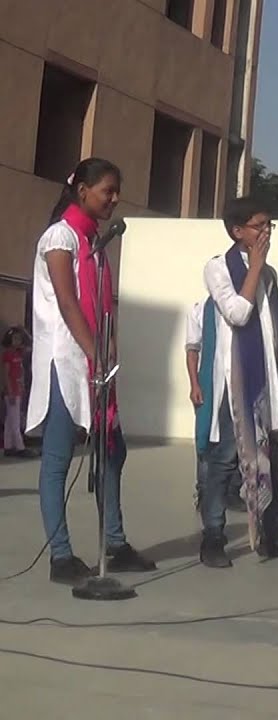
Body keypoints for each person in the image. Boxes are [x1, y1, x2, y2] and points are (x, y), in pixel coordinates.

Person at [27, 158, 155, 584]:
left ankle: (114, 544)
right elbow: (68, 303)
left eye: (116, 191)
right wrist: (93, 356)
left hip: (95, 365)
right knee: (58, 462)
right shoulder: (59, 239)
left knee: (112, 455)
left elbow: (103, 308)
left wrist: (109, 353)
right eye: (107, 191)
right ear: (81, 190)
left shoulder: (95, 244)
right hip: (66, 365)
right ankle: (60, 555)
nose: (114, 199)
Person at [198, 196, 278, 568]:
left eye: (269, 225)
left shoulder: (270, 274)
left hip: (269, 383)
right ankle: (214, 537)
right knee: (226, 460)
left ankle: (273, 534)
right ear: (237, 231)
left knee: (275, 459)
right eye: (259, 226)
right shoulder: (218, 267)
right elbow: (238, 313)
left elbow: (276, 329)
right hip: (238, 384)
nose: (266, 233)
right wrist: (256, 266)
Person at [186, 299, 243, 512]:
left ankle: (232, 491)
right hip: (209, 383)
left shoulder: (238, 308)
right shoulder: (199, 310)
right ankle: (204, 492)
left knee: (237, 437)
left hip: (236, 383)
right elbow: (193, 350)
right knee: (206, 438)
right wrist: (195, 384)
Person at [3, 327, 36, 458]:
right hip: (12, 391)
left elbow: (29, 346)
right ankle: (20, 447)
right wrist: (10, 390)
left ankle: (8, 446)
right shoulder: (8, 355)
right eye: (15, 339)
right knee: (15, 420)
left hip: (18, 389)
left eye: (19, 339)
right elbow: (5, 374)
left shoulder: (18, 354)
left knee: (10, 420)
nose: (17, 341)